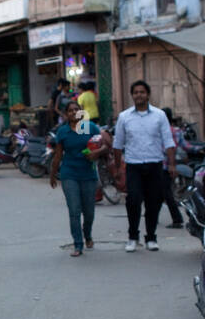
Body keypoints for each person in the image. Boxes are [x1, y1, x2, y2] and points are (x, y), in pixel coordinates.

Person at [112, 80, 176, 252]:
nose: (139, 95)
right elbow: (118, 144)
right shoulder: (124, 117)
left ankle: (151, 237)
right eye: (136, 92)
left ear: (148, 94)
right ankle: (133, 236)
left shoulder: (159, 115)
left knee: (153, 202)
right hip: (133, 165)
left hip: (154, 164)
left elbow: (168, 141)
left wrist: (171, 164)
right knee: (133, 200)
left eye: (142, 92)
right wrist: (118, 168)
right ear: (132, 95)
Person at [50, 100, 111, 255]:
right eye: (70, 110)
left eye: (76, 109)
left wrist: (96, 153)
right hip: (69, 174)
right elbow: (58, 155)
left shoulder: (89, 127)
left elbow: (105, 145)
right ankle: (78, 244)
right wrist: (53, 174)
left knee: (89, 211)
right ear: (66, 114)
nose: (73, 112)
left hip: (88, 174)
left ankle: (87, 234)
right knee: (74, 210)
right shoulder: (63, 132)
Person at [161, 107, 184, 229]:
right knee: (162, 191)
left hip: (163, 165)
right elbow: (185, 145)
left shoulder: (161, 131)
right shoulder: (177, 131)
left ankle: (177, 219)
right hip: (173, 164)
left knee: (166, 192)